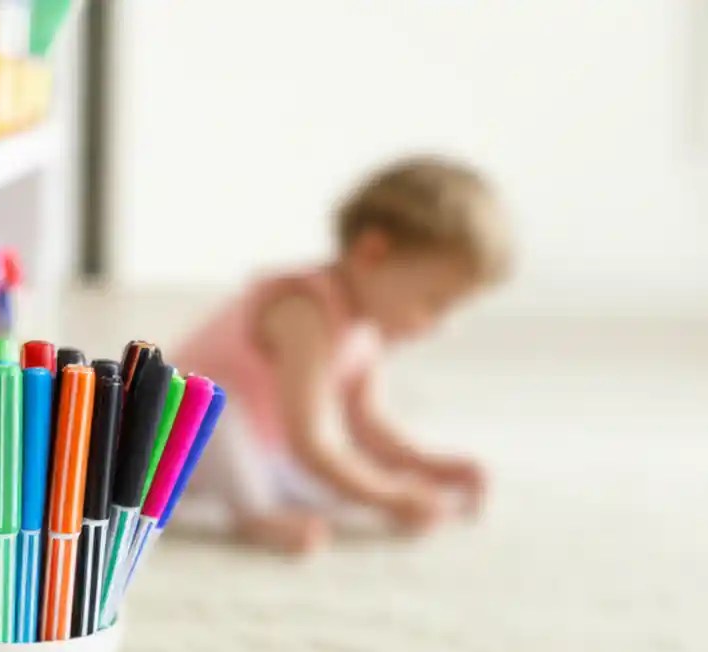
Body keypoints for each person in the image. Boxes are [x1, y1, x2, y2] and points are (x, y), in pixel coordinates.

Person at [174, 156, 511, 553]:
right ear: (372, 253)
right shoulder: (304, 309)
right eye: (433, 302)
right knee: (213, 408)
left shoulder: (366, 330)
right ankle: (255, 515)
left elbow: (367, 426)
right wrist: (389, 495)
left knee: (329, 487)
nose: (438, 325)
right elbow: (310, 441)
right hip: (171, 446)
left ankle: (263, 499)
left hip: (258, 451)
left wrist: (427, 467)